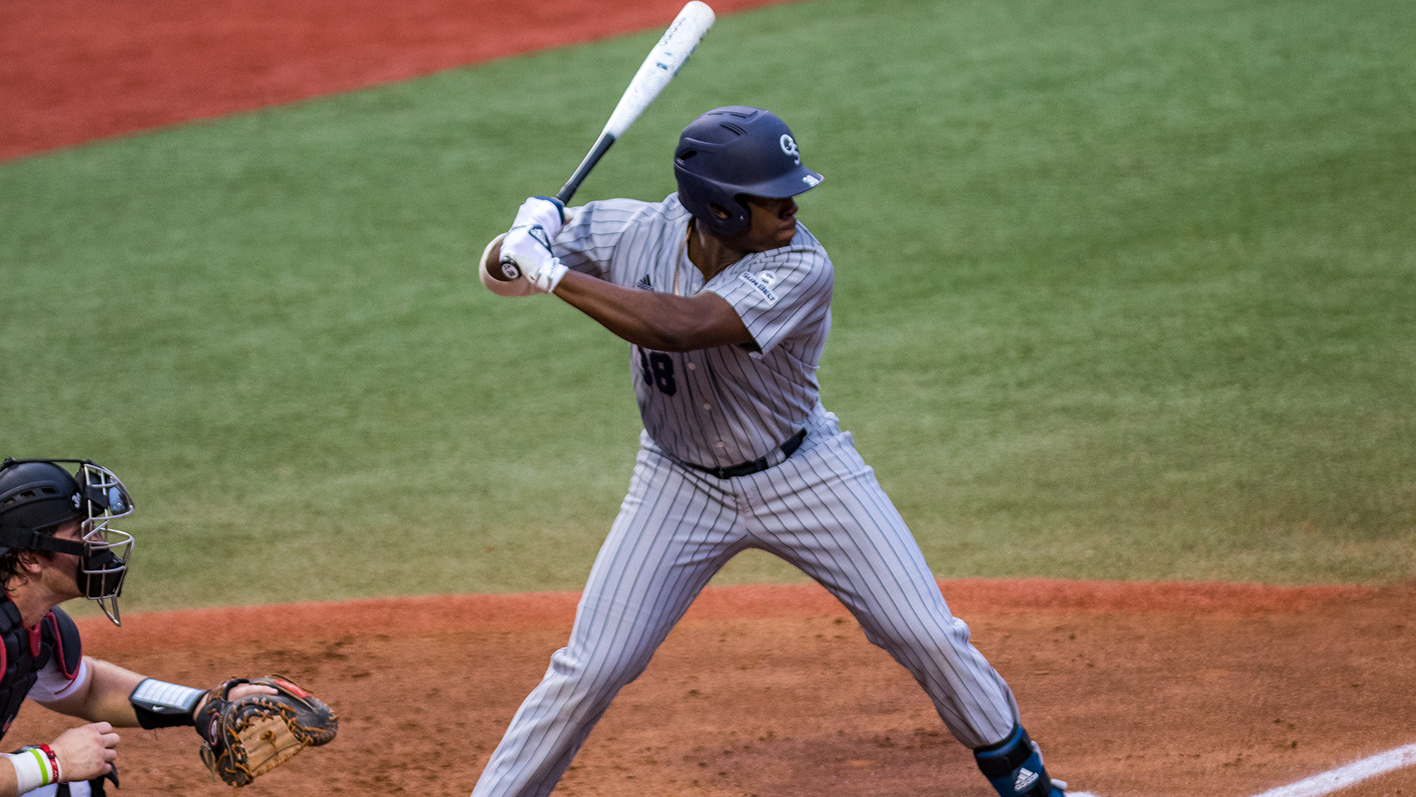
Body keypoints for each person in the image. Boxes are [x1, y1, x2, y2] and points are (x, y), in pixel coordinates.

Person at [472, 106, 1069, 797]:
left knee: (927, 633)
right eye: (772, 193)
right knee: (591, 665)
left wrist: (549, 271)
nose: (792, 204)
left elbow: (683, 325)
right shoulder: (636, 229)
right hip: (677, 482)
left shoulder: (801, 264)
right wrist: (519, 238)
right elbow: (501, 275)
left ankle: (1032, 789)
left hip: (805, 473)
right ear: (720, 209)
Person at [0, 458, 279, 797]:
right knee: (58, 777)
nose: (100, 545)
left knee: (75, 788)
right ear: (30, 557)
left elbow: (90, 690)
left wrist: (202, 704)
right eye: (82, 534)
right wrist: (54, 762)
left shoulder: (36, 629)